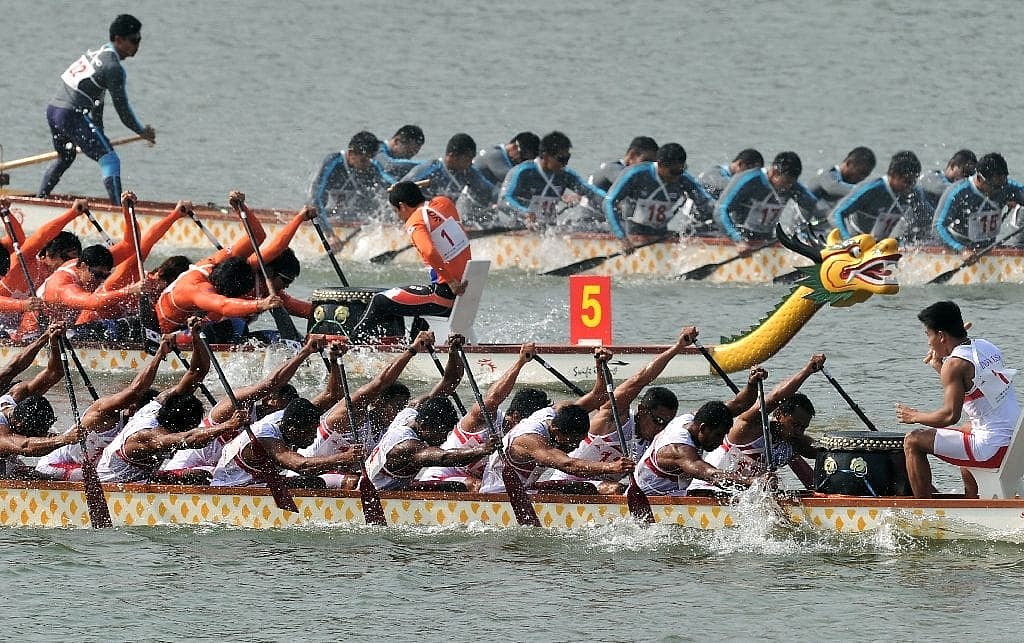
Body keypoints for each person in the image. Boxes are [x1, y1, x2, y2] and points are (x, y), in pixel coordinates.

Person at [159, 334, 338, 481]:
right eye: (285, 406)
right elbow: (271, 383)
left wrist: (335, 361)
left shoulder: (280, 420)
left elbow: (330, 397)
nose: (288, 411)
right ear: (270, 399)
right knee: (206, 475)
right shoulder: (235, 406)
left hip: (224, 472)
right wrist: (306, 351)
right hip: (187, 471)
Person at [545, 328, 699, 492]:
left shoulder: (654, 441)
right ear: (642, 410)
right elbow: (639, 380)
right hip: (565, 482)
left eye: (665, 424)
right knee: (617, 489)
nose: (660, 429)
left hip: (598, 489)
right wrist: (678, 347)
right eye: (658, 421)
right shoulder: (614, 418)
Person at [95, 318, 246, 483]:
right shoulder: (146, 437)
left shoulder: (159, 405)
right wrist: (228, 425)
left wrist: (195, 336)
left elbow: (197, 372)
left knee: (205, 473)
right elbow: (190, 439)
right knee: (202, 477)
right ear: (184, 426)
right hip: (113, 487)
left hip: (145, 478)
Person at [897, 301, 1021, 499]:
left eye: (928, 335)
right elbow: (971, 388)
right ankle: (973, 499)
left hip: (992, 450)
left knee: (913, 440)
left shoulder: (954, 365)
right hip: (1016, 441)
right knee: (966, 428)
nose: (928, 342)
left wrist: (914, 416)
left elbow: (949, 416)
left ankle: (923, 510)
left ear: (941, 336)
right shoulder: (987, 347)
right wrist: (939, 366)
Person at [478, 350, 634, 494]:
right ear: (556, 431)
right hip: (499, 493)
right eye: (573, 441)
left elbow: (599, 396)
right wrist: (613, 467)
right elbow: (568, 465)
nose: (577, 446)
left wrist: (600, 365)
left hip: (525, 488)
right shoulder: (530, 439)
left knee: (587, 487)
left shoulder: (560, 412)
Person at [38, 14, 156, 205]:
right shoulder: (113, 68)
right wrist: (142, 131)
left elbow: (97, 100)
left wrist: (99, 130)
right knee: (110, 160)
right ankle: (120, 213)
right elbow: (123, 110)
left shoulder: (96, 54)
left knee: (66, 157)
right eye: (134, 40)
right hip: (71, 113)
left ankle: (39, 200)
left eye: (139, 40)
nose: (137, 46)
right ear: (118, 39)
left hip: (53, 111)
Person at [303, 331, 438, 487]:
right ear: (378, 402)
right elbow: (380, 383)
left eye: (402, 408)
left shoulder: (391, 428)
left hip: (340, 480)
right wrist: (412, 350)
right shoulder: (350, 415)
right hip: (307, 474)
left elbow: (443, 387)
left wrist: (453, 351)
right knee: (355, 482)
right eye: (396, 406)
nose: (399, 412)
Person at [35, 333, 173, 481]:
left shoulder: (138, 428)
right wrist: (159, 355)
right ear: (133, 409)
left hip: (89, 472)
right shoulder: (105, 414)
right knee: (101, 476)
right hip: (55, 466)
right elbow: (135, 391)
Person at [417, 342, 550, 491]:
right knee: (478, 486)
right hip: (438, 481)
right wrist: (521, 362)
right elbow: (493, 398)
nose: (535, 430)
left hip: (469, 487)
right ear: (516, 416)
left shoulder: (520, 438)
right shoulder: (484, 419)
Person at [348, 181, 471, 341]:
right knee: (419, 307)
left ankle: (351, 345)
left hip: (444, 296)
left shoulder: (415, 221)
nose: (398, 216)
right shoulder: (444, 202)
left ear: (403, 206)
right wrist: (403, 188)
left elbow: (429, 251)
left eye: (396, 211)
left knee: (379, 301)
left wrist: (451, 282)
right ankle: (415, 349)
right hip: (463, 292)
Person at [155, 192, 280, 341]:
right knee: (234, 325)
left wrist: (240, 208)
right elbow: (224, 305)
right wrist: (261, 304)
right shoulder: (198, 288)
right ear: (223, 290)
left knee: (241, 327)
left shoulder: (216, 262)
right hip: (166, 334)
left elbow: (257, 236)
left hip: (190, 323)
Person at [694, 355, 824, 490]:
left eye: (803, 428)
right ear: (778, 415)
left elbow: (824, 456)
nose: (798, 432)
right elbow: (774, 398)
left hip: (738, 498)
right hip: (706, 490)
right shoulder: (750, 426)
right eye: (795, 425)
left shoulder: (791, 443)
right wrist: (807, 370)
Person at [75, 192, 190, 332]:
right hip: (85, 330)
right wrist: (176, 215)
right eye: (165, 285)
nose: (164, 291)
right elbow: (149, 239)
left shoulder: (161, 298)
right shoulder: (131, 272)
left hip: (118, 333)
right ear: (160, 272)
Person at [211, 397, 363, 488]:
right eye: (309, 432)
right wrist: (342, 458)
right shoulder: (266, 436)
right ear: (292, 429)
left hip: (255, 484)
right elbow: (300, 466)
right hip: (230, 489)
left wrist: (334, 360)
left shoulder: (285, 419)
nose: (314, 437)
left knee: (315, 482)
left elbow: (331, 395)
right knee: (311, 482)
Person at [365, 394, 498, 491]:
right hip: (381, 494)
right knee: (459, 487)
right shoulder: (407, 446)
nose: (444, 438)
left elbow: (445, 385)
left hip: (399, 487)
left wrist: (453, 355)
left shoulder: (408, 416)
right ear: (423, 427)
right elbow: (444, 457)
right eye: (442, 432)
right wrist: (482, 450)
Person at [632, 401, 762, 496]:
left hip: (674, 494)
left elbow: (737, 405)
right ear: (703, 428)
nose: (720, 441)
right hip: (646, 498)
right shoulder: (678, 449)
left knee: (722, 495)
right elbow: (712, 475)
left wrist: (752, 384)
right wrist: (753, 481)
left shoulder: (691, 419)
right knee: (715, 493)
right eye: (718, 435)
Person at [17, 244, 144, 340]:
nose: (99, 280)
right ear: (83, 266)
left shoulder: (86, 263)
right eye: (97, 274)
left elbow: (129, 245)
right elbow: (92, 302)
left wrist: (126, 210)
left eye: (105, 276)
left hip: (57, 329)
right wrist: (128, 291)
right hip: (32, 335)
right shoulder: (63, 286)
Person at [604, 144, 716, 253]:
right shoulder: (636, 173)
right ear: (660, 165)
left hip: (661, 234)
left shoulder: (684, 179)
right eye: (673, 172)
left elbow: (708, 204)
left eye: (681, 171)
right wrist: (622, 238)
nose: (677, 176)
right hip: (632, 234)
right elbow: (608, 203)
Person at [0, 198, 85, 333]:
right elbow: (40, 237)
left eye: (75, 260)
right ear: (46, 254)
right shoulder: (21, 262)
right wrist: (72, 213)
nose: (71, 264)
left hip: (15, 329)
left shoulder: (64, 277)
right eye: (66, 258)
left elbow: (18, 238)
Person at [499, 131, 607, 230]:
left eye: (567, 158)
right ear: (546, 156)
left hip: (547, 229)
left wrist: (610, 200)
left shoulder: (565, 175)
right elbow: (504, 201)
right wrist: (525, 213)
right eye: (561, 159)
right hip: (517, 227)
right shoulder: (523, 172)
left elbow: (590, 191)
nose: (565, 163)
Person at [714, 151, 819, 248]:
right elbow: (720, 210)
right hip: (738, 242)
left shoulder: (791, 186)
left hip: (765, 242)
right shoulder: (750, 179)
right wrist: (738, 239)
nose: (788, 187)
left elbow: (810, 202)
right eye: (785, 182)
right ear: (774, 172)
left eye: (791, 183)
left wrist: (798, 234)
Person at [831, 150, 933, 243]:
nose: (910, 187)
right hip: (855, 239)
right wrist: (847, 241)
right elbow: (837, 214)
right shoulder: (873, 189)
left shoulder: (913, 193)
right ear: (893, 174)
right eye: (907, 181)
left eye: (914, 182)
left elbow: (931, 219)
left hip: (879, 244)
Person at [933, 153, 1024, 256]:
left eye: (1003, 184)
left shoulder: (1006, 186)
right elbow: (938, 227)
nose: (1000, 190)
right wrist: (961, 250)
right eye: (995, 187)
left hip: (987, 249)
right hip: (959, 250)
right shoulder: (958, 192)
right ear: (980, 178)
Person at [308, 131, 395, 221]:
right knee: (314, 206)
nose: (367, 165)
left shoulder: (371, 165)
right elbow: (316, 197)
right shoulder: (333, 162)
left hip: (351, 214)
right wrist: (328, 232)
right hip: (326, 210)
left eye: (371, 159)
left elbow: (389, 182)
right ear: (351, 153)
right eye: (363, 160)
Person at [401, 133, 496, 207]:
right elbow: (399, 190)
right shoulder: (431, 168)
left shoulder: (468, 172)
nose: (471, 163)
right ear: (452, 156)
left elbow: (491, 191)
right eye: (468, 158)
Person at [804, 147, 877, 206]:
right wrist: (865, 191)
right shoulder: (828, 175)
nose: (863, 178)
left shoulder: (847, 185)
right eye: (861, 173)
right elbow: (832, 187)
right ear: (849, 163)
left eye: (866, 175)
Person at [588, 136, 659, 191]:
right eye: (646, 161)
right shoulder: (612, 168)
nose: (649, 167)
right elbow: (628, 181)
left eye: (653, 164)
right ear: (632, 155)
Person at [473, 132, 540, 185]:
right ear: (514, 146)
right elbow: (511, 178)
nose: (523, 163)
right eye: (523, 159)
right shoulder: (494, 155)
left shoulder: (502, 155)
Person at [698, 148, 764, 199]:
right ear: (740, 164)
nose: (751, 176)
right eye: (751, 172)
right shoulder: (714, 173)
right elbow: (731, 186)